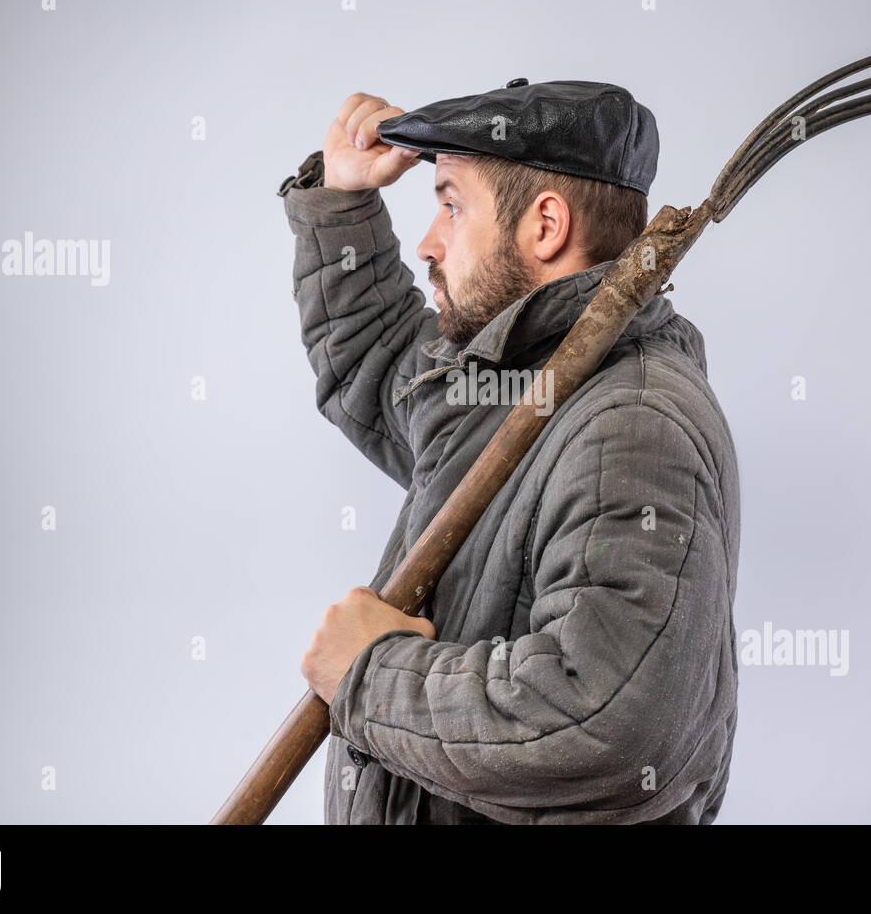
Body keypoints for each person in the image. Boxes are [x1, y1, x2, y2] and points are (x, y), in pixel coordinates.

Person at [277, 78, 741, 824]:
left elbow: (606, 720)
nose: (428, 241)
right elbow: (378, 368)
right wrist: (343, 201)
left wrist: (369, 674)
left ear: (546, 224)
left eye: (452, 204)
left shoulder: (632, 425)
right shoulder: (508, 391)